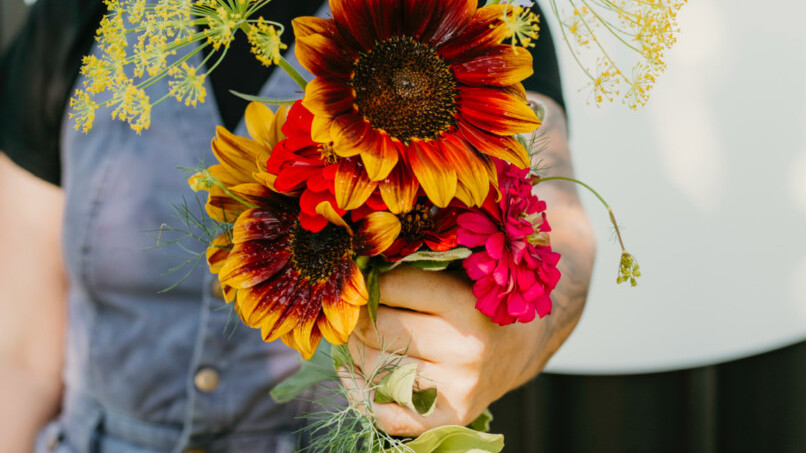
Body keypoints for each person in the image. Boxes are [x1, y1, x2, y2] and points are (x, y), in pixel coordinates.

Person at [0, 0, 595, 451]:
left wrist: (508, 349)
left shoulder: (462, 17)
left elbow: (556, 226)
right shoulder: (77, 15)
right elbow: (22, 350)